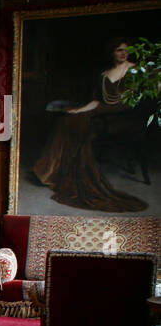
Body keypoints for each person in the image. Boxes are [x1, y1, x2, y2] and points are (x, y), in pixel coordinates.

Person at [31, 38, 147, 213]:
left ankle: (51, 171)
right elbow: (96, 101)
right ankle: (50, 172)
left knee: (78, 123)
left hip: (124, 113)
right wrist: (79, 110)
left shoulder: (135, 69)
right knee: (67, 119)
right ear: (112, 53)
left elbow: (137, 97)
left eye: (125, 50)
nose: (123, 53)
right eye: (119, 50)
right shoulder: (104, 75)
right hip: (102, 109)